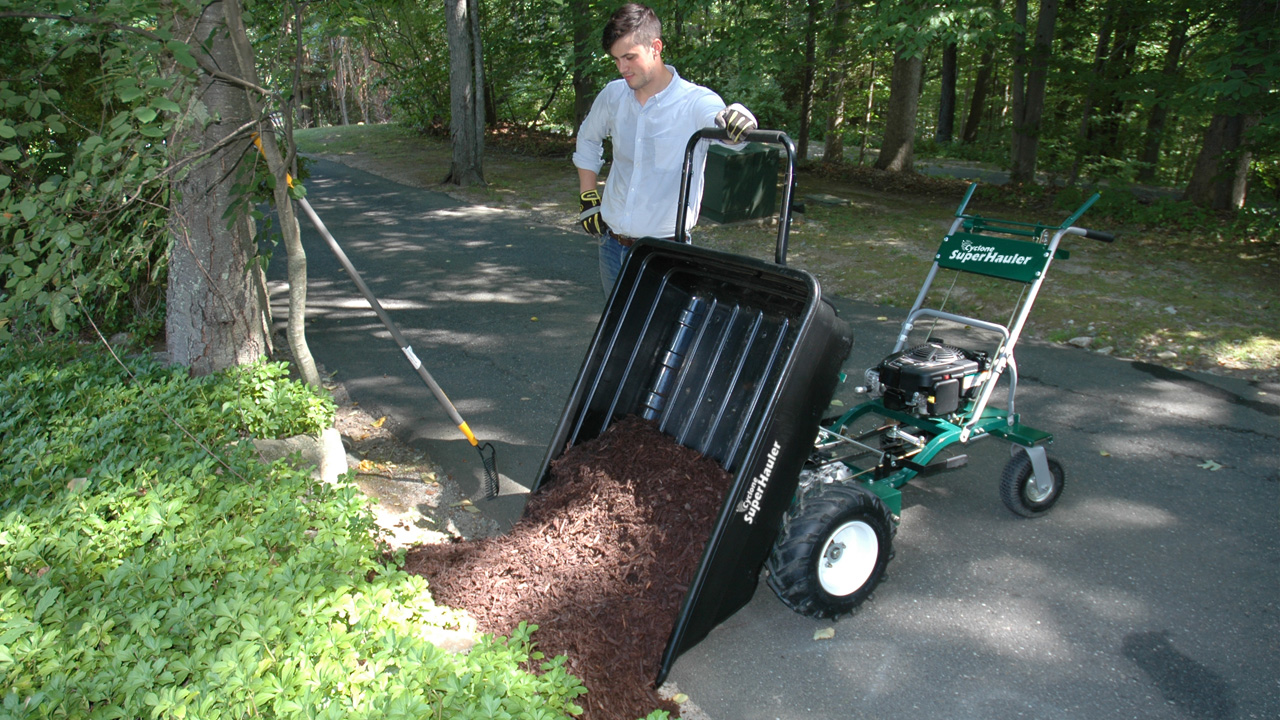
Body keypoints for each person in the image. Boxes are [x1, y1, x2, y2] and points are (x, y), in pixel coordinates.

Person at [573, 3, 757, 295]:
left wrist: (736, 119)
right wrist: (587, 196)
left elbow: (728, 131)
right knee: (617, 338)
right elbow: (587, 138)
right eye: (617, 60)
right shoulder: (613, 95)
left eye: (629, 57)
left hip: (665, 256)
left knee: (661, 340)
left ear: (655, 47)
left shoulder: (694, 102)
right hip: (610, 245)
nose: (622, 68)